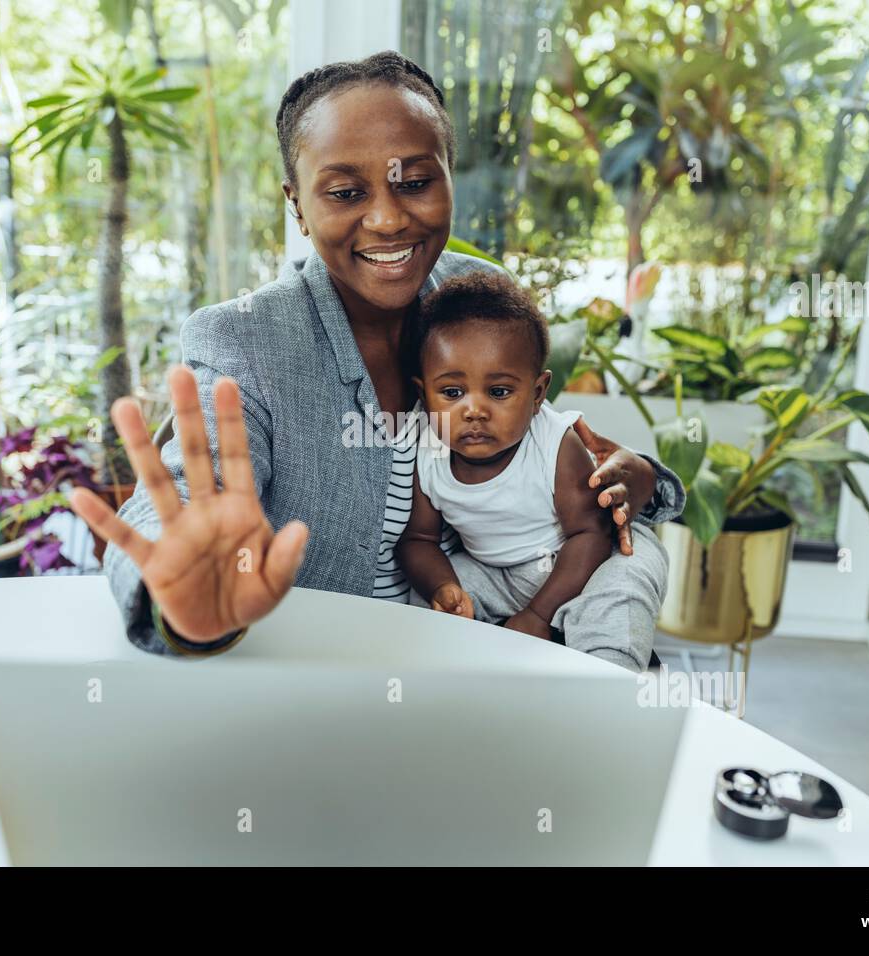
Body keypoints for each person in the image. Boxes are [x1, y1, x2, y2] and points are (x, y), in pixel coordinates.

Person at [69, 50, 684, 669]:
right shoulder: (246, 340)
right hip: (323, 681)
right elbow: (182, 495)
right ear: (297, 205)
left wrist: (639, 481)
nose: (388, 218)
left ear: (449, 174)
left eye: (415, 182)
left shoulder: (478, 297)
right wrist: (182, 584)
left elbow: (547, 452)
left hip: (492, 660)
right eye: (344, 192)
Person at [396, 271, 660, 667]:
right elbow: (418, 540)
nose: (474, 410)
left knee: (619, 597)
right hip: (501, 571)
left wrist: (538, 615)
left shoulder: (553, 442)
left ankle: (610, 687)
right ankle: (461, 682)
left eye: (499, 392)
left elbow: (591, 532)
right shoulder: (429, 452)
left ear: (538, 394)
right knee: (432, 603)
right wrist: (443, 585)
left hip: (590, 558)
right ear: (423, 394)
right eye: (452, 393)